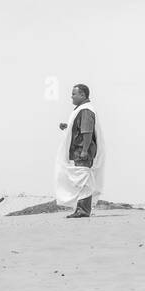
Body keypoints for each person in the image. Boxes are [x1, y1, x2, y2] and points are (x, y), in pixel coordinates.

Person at [55, 83, 106, 218]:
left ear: (82, 95)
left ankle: (83, 210)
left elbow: (87, 131)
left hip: (82, 151)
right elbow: (79, 129)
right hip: (79, 150)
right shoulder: (81, 109)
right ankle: (80, 209)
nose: (71, 96)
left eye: (74, 94)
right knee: (80, 179)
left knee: (83, 179)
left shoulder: (85, 110)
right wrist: (68, 127)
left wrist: (84, 150)